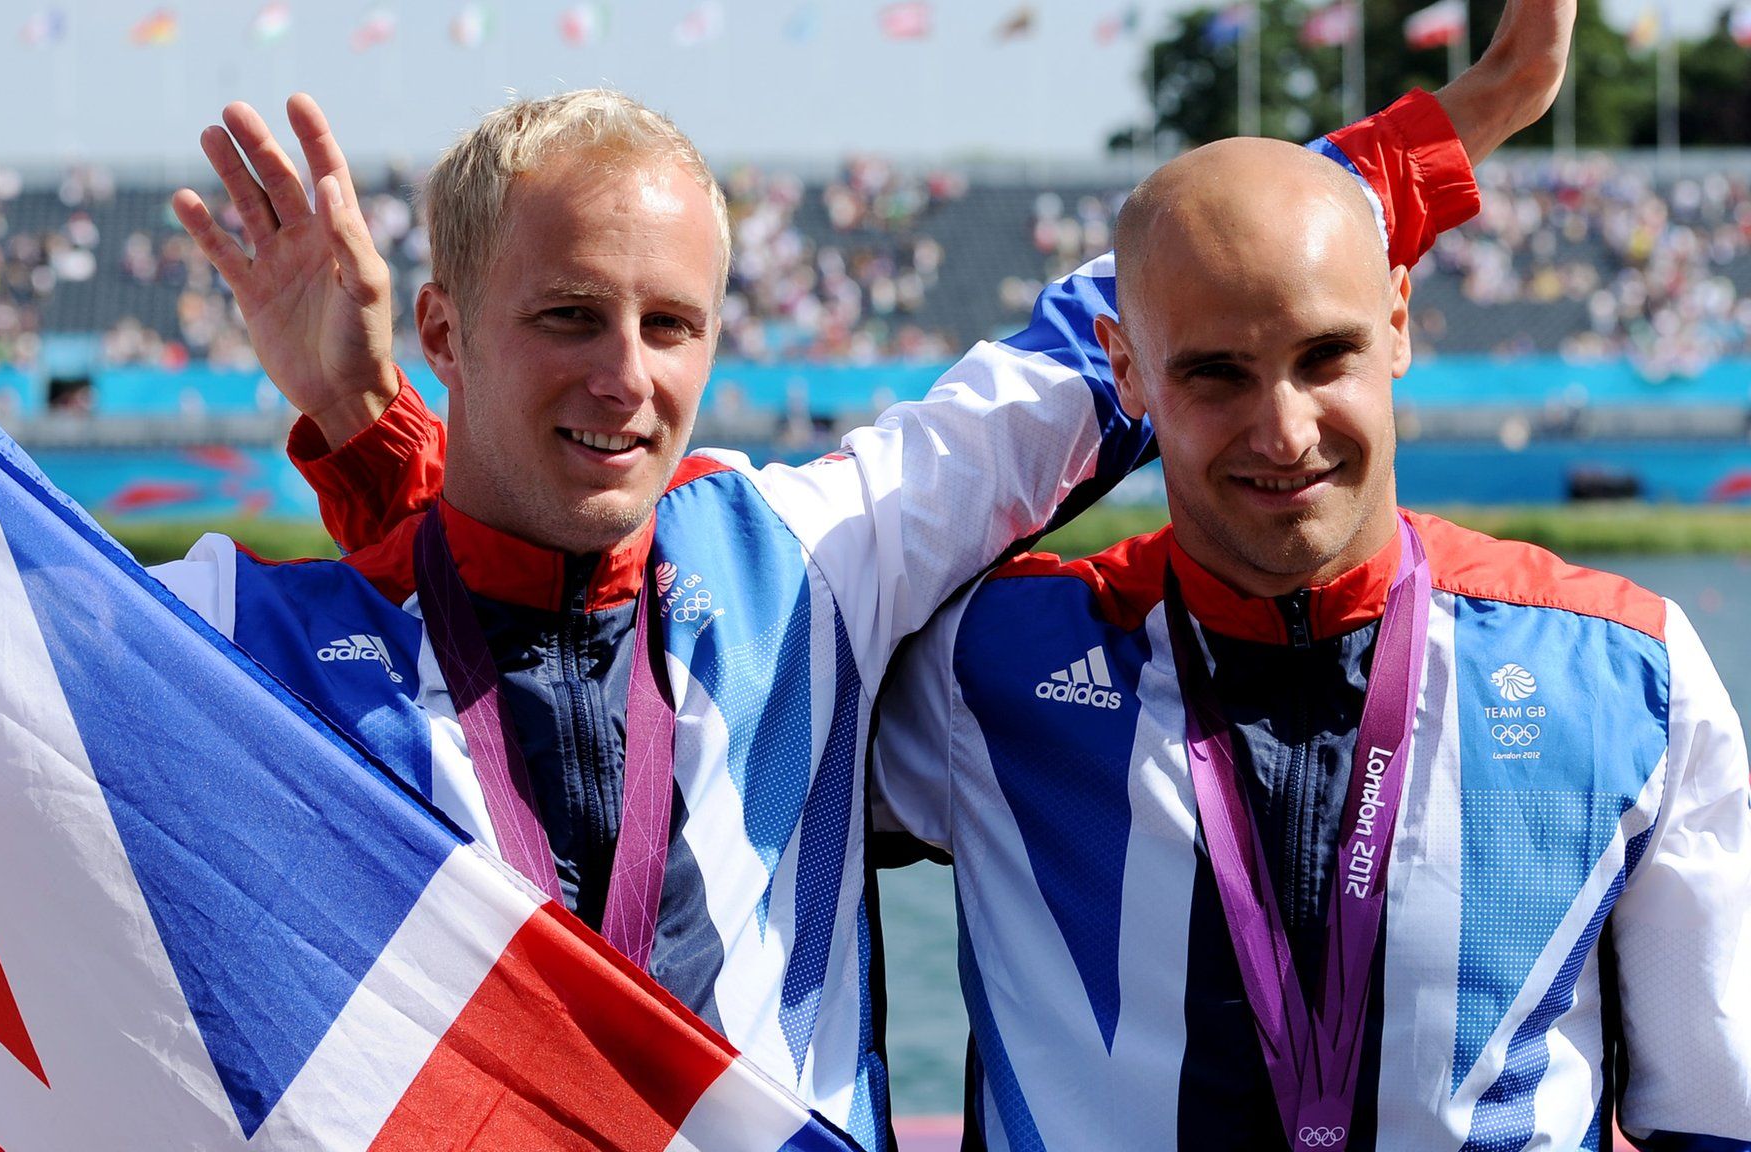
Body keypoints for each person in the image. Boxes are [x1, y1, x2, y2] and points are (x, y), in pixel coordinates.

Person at [156, 16, 1568, 1141]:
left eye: (670, 323)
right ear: (444, 329)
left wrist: (1457, 127)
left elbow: (1115, 335)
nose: (627, 376)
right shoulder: (248, 637)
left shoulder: (810, 557)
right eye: (569, 317)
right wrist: (363, 433)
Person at [868, 93, 1751, 1152]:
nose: (1282, 433)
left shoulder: (1624, 672)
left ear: (1397, 324)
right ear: (1125, 366)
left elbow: (1717, 1122)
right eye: (1213, 373)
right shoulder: (988, 670)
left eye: (1324, 355)